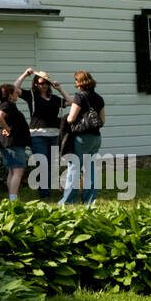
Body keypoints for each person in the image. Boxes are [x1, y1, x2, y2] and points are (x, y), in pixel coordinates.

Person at [13, 67, 71, 199]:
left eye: (46, 83)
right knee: (42, 164)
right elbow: (14, 88)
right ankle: (44, 194)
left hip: (54, 136)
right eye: (40, 83)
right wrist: (25, 74)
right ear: (35, 84)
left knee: (51, 165)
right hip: (37, 136)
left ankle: (47, 191)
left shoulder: (55, 98)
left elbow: (72, 102)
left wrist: (60, 89)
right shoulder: (31, 96)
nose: (43, 85)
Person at [60, 70, 106, 205]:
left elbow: (71, 118)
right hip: (96, 137)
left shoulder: (79, 97)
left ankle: (68, 201)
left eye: (76, 81)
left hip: (81, 137)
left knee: (74, 168)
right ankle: (90, 200)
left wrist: (67, 118)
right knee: (90, 169)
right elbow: (102, 120)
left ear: (79, 83)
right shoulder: (99, 98)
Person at [0, 83, 31, 202]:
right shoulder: (8, 105)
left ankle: (12, 197)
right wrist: (7, 128)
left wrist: (4, 127)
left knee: (12, 171)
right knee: (18, 171)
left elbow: (0, 118)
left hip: (8, 143)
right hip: (13, 143)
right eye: (15, 93)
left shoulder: (6, 104)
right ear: (9, 95)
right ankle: (13, 199)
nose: (17, 94)